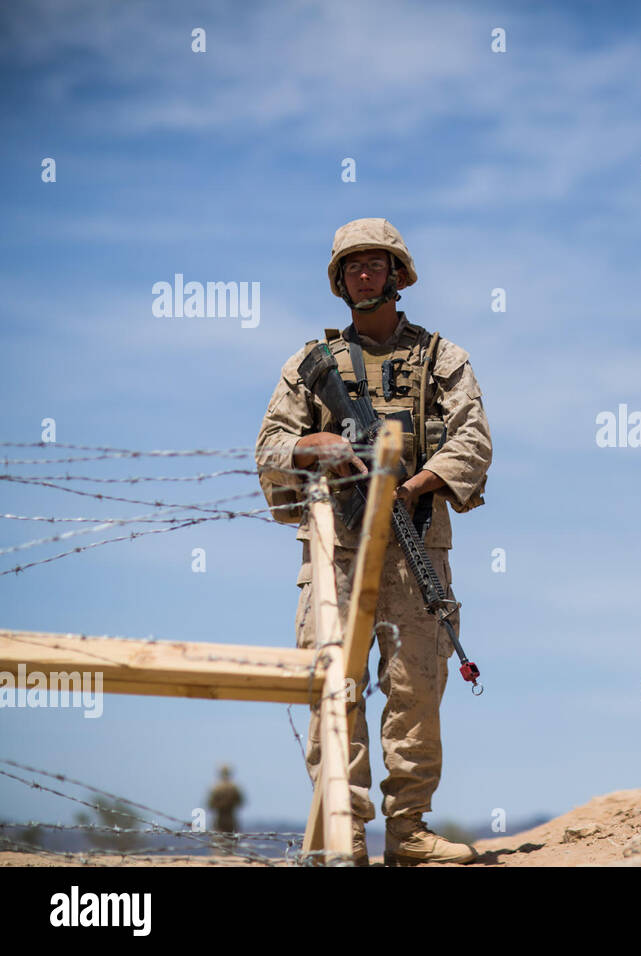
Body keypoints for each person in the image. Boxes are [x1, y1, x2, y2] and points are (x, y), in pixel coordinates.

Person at [254, 218, 492, 866]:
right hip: (335, 548)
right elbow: (269, 448)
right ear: (340, 279)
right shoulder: (312, 365)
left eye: (375, 263)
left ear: (396, 275)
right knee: (334, 687)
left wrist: (410, 486)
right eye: (353, 265)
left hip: (416, 546)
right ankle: (346, 833)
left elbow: (472, 442)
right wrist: (314, 445)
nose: (364, 273)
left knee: (416, 689)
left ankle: (409, 832)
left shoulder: (443, 359)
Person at [207, 764, 244, 851]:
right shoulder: (234, 787)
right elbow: (240, 802)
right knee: (231, 842)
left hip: (220, 817)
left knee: (218, 843)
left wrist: (220, 805)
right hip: (231, 817)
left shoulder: (216, 788)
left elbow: (210, 804)